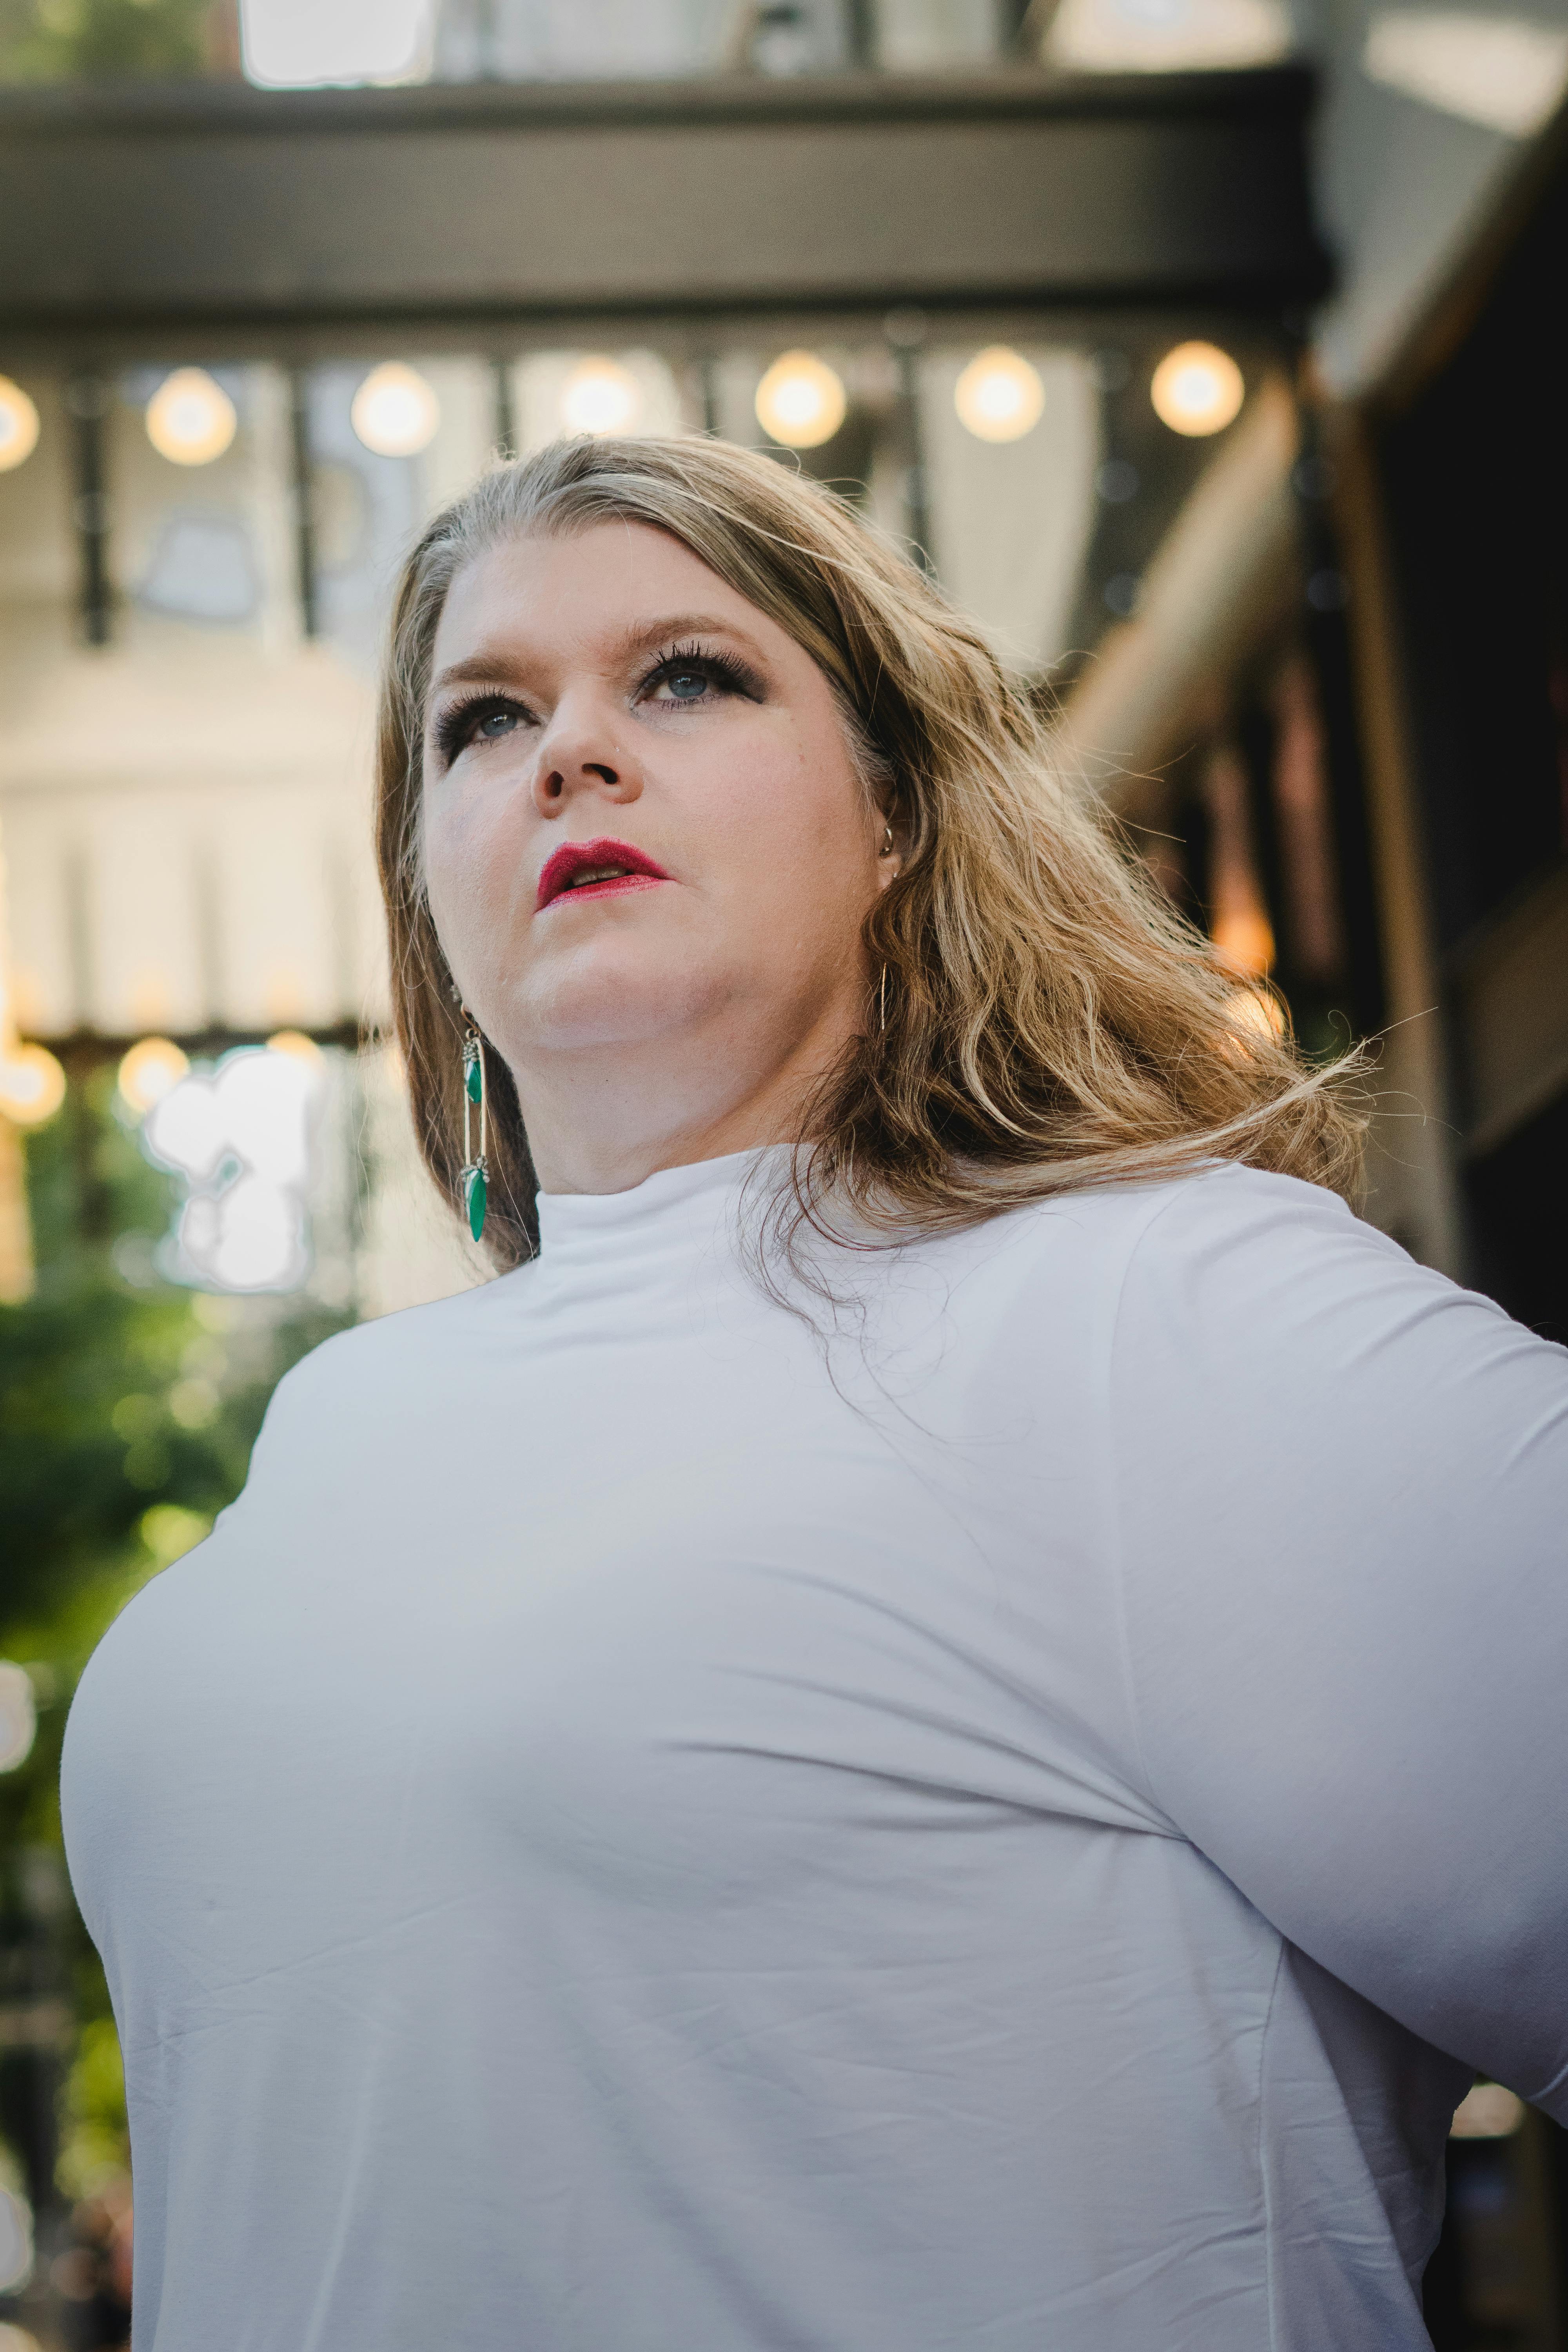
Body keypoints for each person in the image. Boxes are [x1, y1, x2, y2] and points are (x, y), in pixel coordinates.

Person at [62, 434, 1567, 2352]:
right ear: (426, 880)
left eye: (687, 676)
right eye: (483, 720)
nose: (570, 753)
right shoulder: (337, 1425)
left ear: (894, 815)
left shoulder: (1141, 1305)